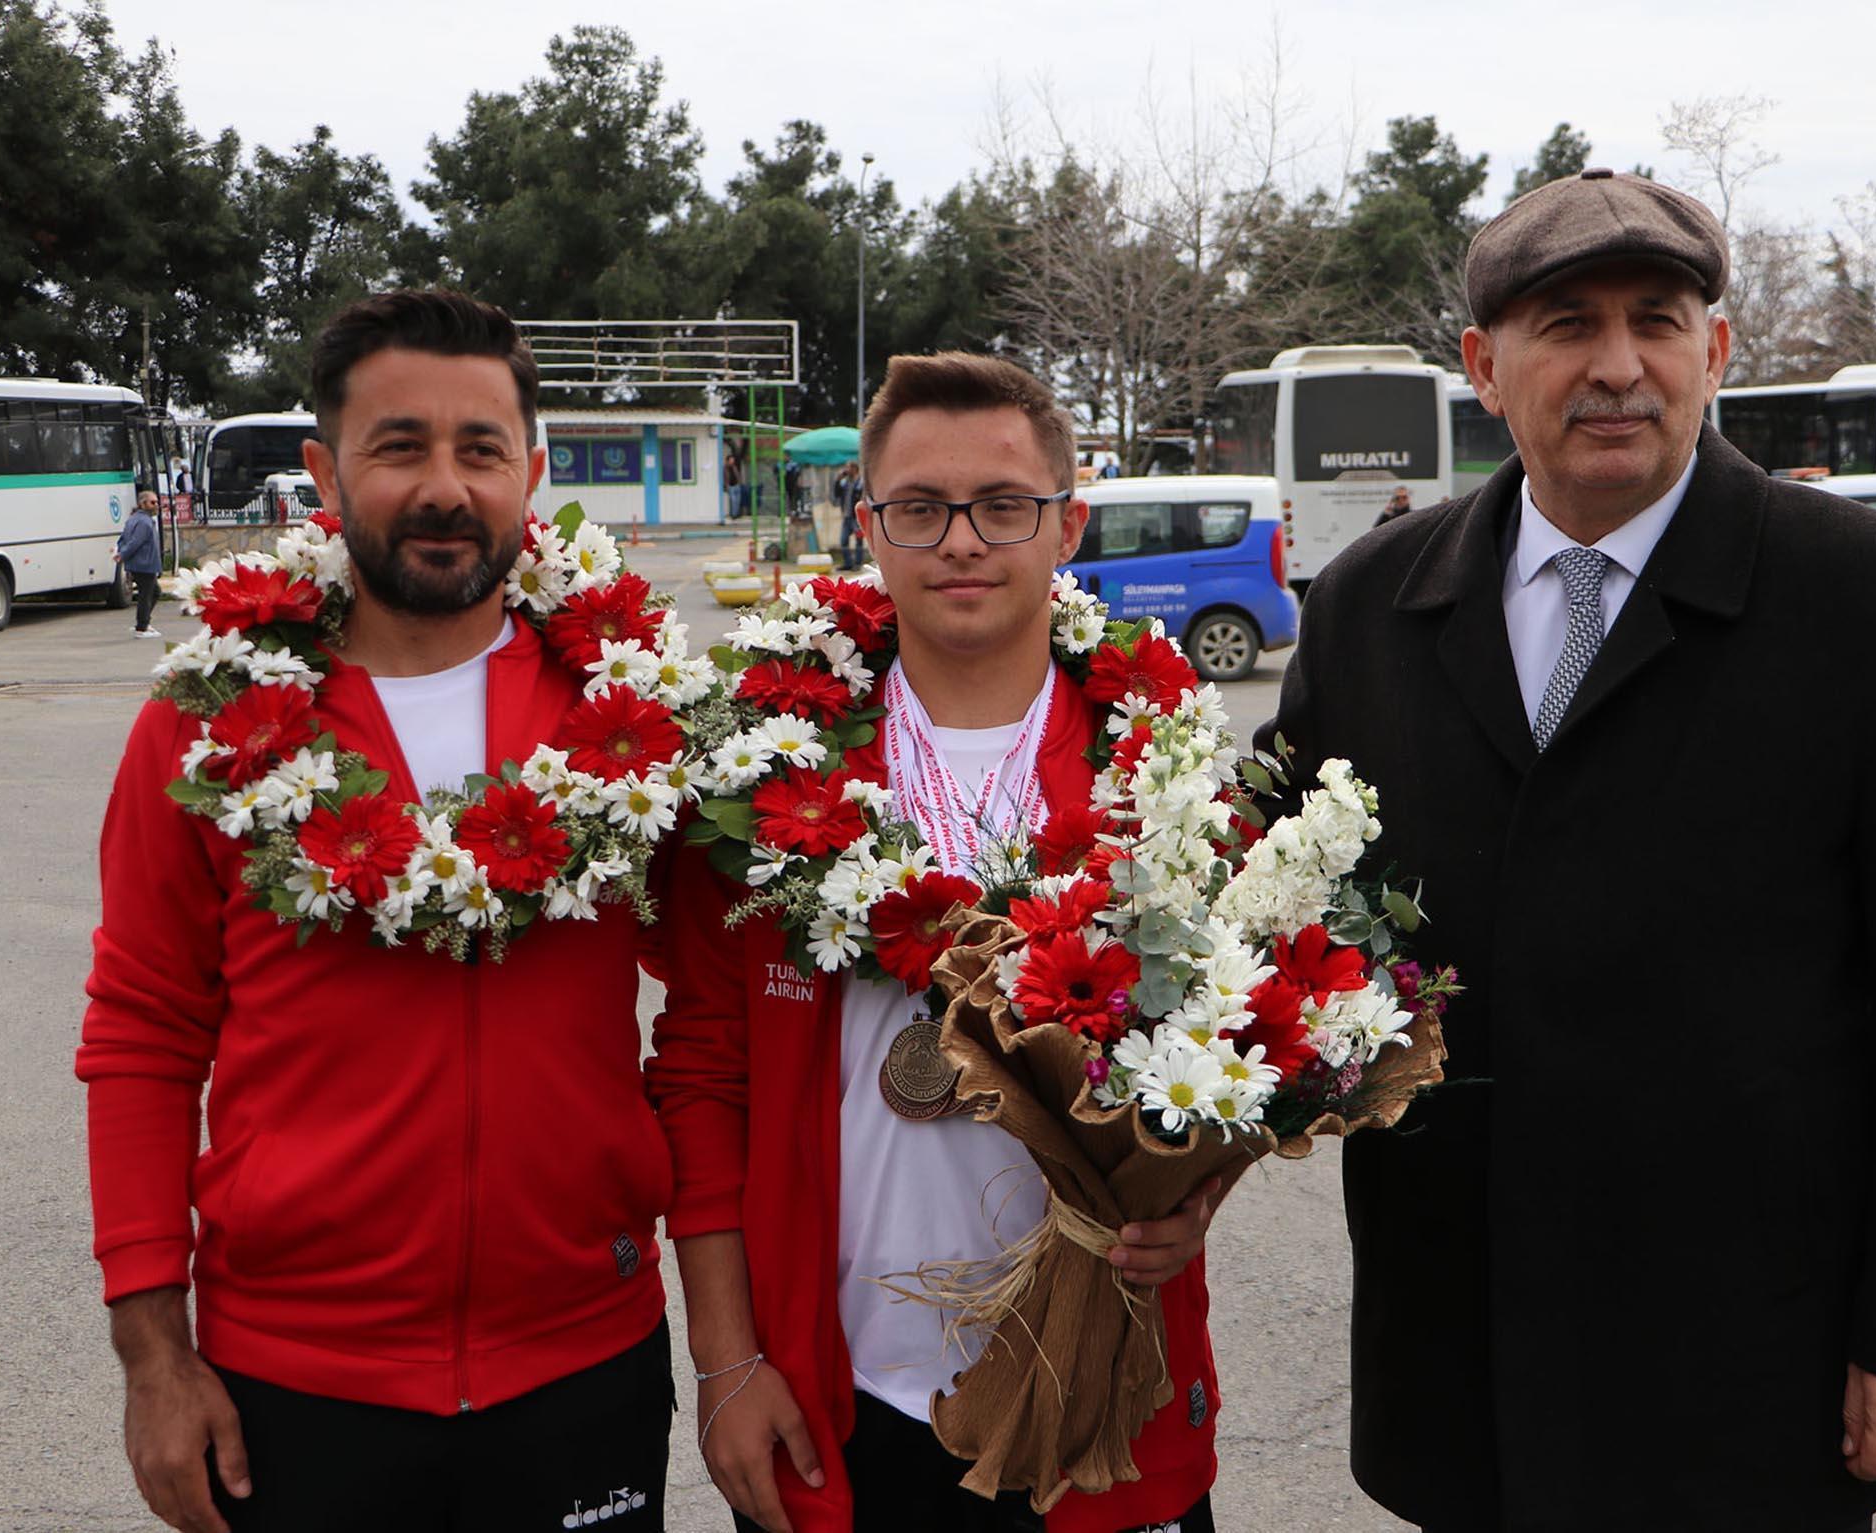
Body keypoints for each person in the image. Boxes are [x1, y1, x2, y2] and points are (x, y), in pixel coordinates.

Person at [1261, 169, 1876, 1532]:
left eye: (1656, 322)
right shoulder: (1370, 606)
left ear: (1715, 351)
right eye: (1567, 324)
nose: (1617, 366)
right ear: (1483, 367)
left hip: (1747, 1369)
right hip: (1461, 1357)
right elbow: (1272, 922)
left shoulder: (1874, 602)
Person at [78, 289, 676, 1533]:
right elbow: (142, 1030)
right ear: (325, 472)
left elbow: (723, 1024)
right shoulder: (207, 726)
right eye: (400, 447)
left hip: (583, 1359)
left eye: (481, 450)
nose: (444, 488)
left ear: (533, 475)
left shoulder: (631, 716)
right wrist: (152, 1354)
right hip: (293, 1380)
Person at [650, 352, 1222, 1533]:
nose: (961, 541)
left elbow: (1247, 1051)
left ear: (1066, 526)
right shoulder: (766, 773)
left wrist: (1198, 1194)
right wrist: (726, 1362)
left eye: (1002, 505)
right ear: (869, 526)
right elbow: (703, 1079)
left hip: (1101, 1387)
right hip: (839, 1398)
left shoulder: (1163, 772)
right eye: (919, 508)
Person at [116, 489, 164, 637]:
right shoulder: (143, 521)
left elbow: (123, 539)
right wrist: (122, 554)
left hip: (140, 564)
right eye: (152, 502)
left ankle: (144, 622)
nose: (156, 505)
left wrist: (121, 552)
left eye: (157, 502)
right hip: (145, 564)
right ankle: (142, 627)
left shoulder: (134, 519)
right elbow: (135, 542)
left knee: (153, 592)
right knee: (147, 595)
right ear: (143, 504)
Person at [833, 461, 864, 570]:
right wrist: (837, 480)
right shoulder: (844, 482)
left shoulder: (860, 483)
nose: (846, 470)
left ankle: (858, 564)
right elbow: (836, 494)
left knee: (858, 540)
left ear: (855, 469)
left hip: (856, 517)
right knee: (843, 540)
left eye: (849, 468)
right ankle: (848, 563)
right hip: (846, 516)